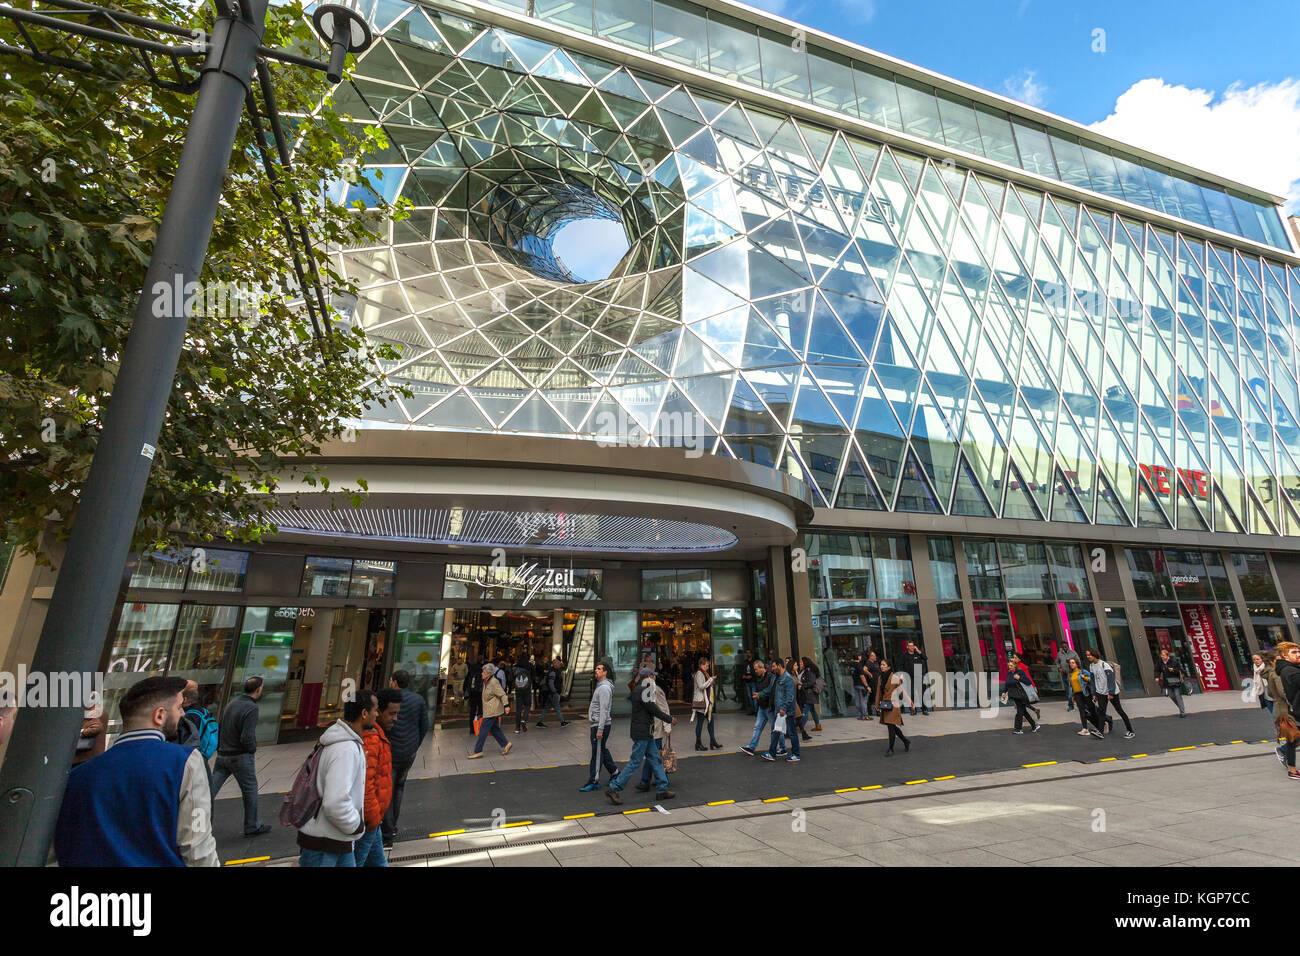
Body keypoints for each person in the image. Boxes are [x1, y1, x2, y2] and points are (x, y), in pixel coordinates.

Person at [54, 676, 220, 867]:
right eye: (179, 708)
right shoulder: (185, 762)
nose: (183, 714)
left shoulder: (78, 776)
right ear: (159, 715)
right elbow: (197, 848)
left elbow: (66, 845)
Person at [296, 690, 373, 867]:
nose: (377, 714)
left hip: (336, 839)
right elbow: (335, 802)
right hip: (325, 841)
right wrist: (356, 825)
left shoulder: (341, 740)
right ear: (363, 713)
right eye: (375, 710)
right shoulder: (345, 749)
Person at [210, 675, 271, 837]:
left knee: (209, 792)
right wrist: (252, 749)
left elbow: (221, 726)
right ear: (259, 689)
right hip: (240, 756)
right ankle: (252, 825)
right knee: (250, 790)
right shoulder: (251, 708)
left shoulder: (232, 703)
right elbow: (247, 736)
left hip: (222, 755)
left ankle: (200, 823)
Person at [605, 668, 676, 804]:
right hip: (643, 732)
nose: (654, 679)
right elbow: (653, 709)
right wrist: (669, 719)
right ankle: (614, 788)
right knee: (635, 762)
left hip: (645, 732)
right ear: (648, 677)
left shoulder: (639, 689)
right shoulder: (645, 690)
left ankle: (662, 789)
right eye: (652, 676)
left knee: (655, 759)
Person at [383, 669, 429, 848]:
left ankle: (387, 834)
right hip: (408, 752)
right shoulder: (418, 700)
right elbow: (424, 725)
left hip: (391, 753)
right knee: (399, 788)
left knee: (388, 789)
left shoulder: (388, 699)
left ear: (394, 682)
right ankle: (392, 826)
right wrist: (414, 745)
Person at [357, 688, 400, 866]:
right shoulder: (370, 740)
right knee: (357, 861)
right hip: (369, 821)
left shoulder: (378, 736)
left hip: (374, 820)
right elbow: (365, 786)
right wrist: (374, 818)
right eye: (391, 714)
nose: (395, 718)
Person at [580, 662, 618, 791]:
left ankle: (594, 780)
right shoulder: (601, 686)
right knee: (601, 750)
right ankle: (615, 772)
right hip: (598, 724)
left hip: (600, 726)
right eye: (596, 668)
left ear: (605, 672)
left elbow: (604, 710)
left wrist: (600, 729)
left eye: (599, 669)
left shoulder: (604, 688)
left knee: (597, 753)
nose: (596, 670)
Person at [1264, 645, 1299, 778]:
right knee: (1293, 738)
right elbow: (1283, 693)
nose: (1298, 654)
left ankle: (1292, 769)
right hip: (1287, 708)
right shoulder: (1288, 671)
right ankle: (1289, 764)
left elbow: (1270, 692)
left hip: (1285, 708)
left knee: (1292, 738)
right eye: (1294, 652)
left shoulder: (1279, 671)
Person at [1086, 648, 1134, 738]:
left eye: (1089, 655)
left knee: (1119, 711)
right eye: (1087, 655)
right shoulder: (1091, 666)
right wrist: (1094, 693)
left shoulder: (1104, 665)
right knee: (1101, 712)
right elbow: (1092, 680)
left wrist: (1111, 693)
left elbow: (1111, 679)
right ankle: (1100, 732)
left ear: (1094, 655)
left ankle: (1130, 731)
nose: (1088, 657)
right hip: (1100, 692)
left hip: (1111, 692)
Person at [638, 671, 674, 792]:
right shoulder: (646, 690)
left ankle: (649, 781)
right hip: (650, 729)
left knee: (654, 756)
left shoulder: (656, 690)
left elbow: (664, 709)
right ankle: (649, 780)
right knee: (652, 756)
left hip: (657, 729)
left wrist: (667, 727)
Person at [469, 663, 513, 758]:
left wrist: (506, 705)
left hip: (492, 711)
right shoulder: (486, 681)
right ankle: (506, 744)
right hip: (488, 710)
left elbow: (502, 694)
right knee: (495, 729)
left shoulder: (493, 682)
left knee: (483, 731)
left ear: (489, 673)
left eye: (483, 672)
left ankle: (478, 751)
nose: (482, 673)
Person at [762, 658, 801, 762]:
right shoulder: (777, 677)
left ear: (779, 666)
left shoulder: (787, 679)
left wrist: (783, 708)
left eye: (774, 666)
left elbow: (790, 696)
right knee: (776, 731)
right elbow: (772, 691)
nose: (772, 668)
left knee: (792, 732)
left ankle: (796, 754)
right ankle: (772, 753)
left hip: (787, 711)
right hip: (779, 711)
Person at [875, 660, 912, 755]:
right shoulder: (880, 678)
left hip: (894, 705)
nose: (881, 666)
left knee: (891, 727)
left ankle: (891, 749)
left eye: (884, 665)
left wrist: (910, 702)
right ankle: (905, 741)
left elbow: (901, 691)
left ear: (889, 667)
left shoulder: (894, 677)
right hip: (885, 704)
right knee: (891, 726)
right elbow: (879, 691)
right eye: (881, 665)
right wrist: (876, 705)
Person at [739, 659, 774, 756]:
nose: (755, 671)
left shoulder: (770, 676)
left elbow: (769, 690)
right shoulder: (759, 677)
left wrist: (760, 694)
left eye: (756, 669)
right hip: (762, 706)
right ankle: (751, 747)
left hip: (769, 706)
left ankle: (783, 748)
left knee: (775, 728)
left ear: (762, 668)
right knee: (757, 727)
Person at [1065, 658, 1105, 738]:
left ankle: (1102, 724)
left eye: (1073, 662)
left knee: (1092, 710)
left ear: (1077, 663)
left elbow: (1092, 680)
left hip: (1085, 693)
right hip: (1077, 694)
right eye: (1070, 663)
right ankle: (1085, 729)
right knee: (1081, 711)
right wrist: (1072, 696)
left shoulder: (1083, 671)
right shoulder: (1071, 674)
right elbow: (1071, 687)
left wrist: (1085, 678)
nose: (1071, 664)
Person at [999, 662, 1039, 735]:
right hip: (1014, 695)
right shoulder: (1009, 674)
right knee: (1023, 711)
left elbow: (1028, 682)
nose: (1009, 667)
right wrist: (1004, 692)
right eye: (1008, 666)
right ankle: (1034, 725)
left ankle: (1018, 729)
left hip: (1020, 695)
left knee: (1019, 712)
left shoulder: (1020, 672)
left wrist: (1019, 678)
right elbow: (1007, 684)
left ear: (1015, 666)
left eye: (1011, 665)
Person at [692, 656, 721, 751]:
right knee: (701, 722)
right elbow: (701, 686)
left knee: (710, 721)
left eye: (708, 666)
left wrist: (711, 680)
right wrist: (711, 680)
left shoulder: (704, 673)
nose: (707, 667)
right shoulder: (700, 673)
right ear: (701, 665)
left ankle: (712, 741)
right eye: (706, 665)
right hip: (702, 701)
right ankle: (698, 743)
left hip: (706, 701)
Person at [900, 640, 930, 715]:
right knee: (911, 694)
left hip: (918, 676)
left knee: (921, 693)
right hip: (909, 677)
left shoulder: (918, 654)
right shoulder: (904, 655)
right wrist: (902, 675)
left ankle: (924, 709)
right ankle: (913, 709)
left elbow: (925, 658)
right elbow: (901, 666)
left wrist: (918, 650)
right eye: (910, 646)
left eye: (913, 646)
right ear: (907, 647)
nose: (912, 647)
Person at [1009, 653, 1041, 721]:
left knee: (1020, 703)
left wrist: (1034, 686)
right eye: (1013, 657)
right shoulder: (1014, 666)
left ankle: (1023, 716)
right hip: (1017, 686)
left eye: (1015, 658)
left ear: (1019, 659)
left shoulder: (1022, 666)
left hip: (1023, 686)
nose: (1014, 659)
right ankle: (1034, 710)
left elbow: (1028, 677)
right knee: (1020, 703)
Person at [1155, 649, 1187, 717]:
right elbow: (1157, 670)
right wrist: (1157, 677)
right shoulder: (1160, 662)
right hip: (1167, 682)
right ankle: (1181, 707)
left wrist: (1173, 670)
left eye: (1163, 655)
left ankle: (1182, 712)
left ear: (1167, 655)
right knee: (1172, 696)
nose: (1162, 656)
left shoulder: (1173, 661)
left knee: (1177, 696)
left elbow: (1180, 670)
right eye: (1161, 655)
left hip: (1175, 681)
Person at [538, 658, 568, 728]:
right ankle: (562, 722)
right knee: (557, 708)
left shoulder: (555, 671)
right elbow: (551, 683)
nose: (560, 664)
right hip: (553, 693)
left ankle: (539, 722)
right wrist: (555, 692)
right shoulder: (553, 672)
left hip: (550, 693)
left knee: (546, 708)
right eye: (558, 663)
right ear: (555, 664)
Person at [800, 656, 823, 732]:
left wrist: (802, 685)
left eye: (801, 662)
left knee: (805, 711)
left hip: (809, 694)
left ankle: (801, 727)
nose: (800, 664)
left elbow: (811, 682)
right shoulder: (807, 670)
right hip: (810, 694)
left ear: (805, 663)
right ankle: (818, 725)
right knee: (812, 710)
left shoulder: (809, 671)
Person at [1055, 644, 1081, 711]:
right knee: (1068, 691)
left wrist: (1078, 669)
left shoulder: (1073, 652)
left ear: (1068, 646)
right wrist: (1059, 668)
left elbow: (1078, 661)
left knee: (1076, 690)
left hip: (1073, 673)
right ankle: (1071, 706)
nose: (1064, 648)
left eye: (1065, 647)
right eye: (1063, 647)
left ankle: (1081, 705)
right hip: (1065, 674)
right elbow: (1057, 662)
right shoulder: (1059, 654)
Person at [511, 656, 533, 732]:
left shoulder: (515, 667)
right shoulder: (530, 666)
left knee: (518, 708)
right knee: (528, 704)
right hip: (527, 689)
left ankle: (517, 728)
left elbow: (511, 677)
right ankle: (524, 720)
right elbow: (533, 676)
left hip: (518, 689)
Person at [849, 651, 870, 720]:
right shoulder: (859, 665)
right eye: (860, 656)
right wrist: (866, 686)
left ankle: (860, 715)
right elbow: (862, 676)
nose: (861, 657)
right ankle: (865, 716)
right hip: (861, 685)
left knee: (858, 701)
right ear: (858, 657)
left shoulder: (851, 665)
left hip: (855, 684)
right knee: (863, 701)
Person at [465, 660, 484, 731]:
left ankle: (472, 728)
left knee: (472, 711)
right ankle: (479, 726)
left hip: (472, 695)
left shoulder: (470, 674)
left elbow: (466, 684)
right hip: (480, 695)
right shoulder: (481, 675)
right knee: (480, 711)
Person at [865, 651, 882, 717]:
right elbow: (864, 669)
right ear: (870, 657)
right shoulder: (868, 663)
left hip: (878, 682)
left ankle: (869, 710)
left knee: (872, 697)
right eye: (874, 656)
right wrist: (870, 674)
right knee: (876, 696)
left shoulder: (875, 662)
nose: (875, 657)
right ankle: (878, 711)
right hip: (873, 683)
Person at [742, 650, 757, 715]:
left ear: (751, 653)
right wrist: (744, 676)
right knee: (749, 696)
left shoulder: (754, 661)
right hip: (747, 681)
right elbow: (743, 670)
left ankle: (756, 710)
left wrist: (751, 676)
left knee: (754, 696)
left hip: (753, 681)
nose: (748, 654)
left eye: (749, 653)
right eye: (747, 653)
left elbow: (755, 670)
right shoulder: (745, 661)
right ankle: (752, 710)